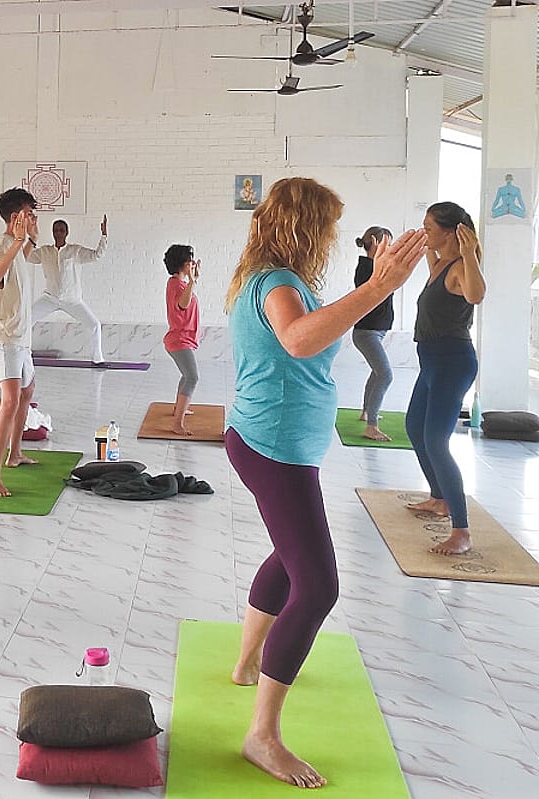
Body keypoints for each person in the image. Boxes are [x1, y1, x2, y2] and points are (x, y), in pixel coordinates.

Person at [224, 177, 426, 788]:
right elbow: (298, 338)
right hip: (275, 447)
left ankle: (245, 663)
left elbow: (305, 333)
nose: (335, 238)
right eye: (329, 227)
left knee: (290, 560)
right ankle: (262, 735)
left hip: (275, 442)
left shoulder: (272, 277)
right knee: (318, 586)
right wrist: (377, 286)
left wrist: (367, 288)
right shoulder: (280, 284)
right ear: (306, 226)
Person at [404, 202, 486, 555]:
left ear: (451, 232)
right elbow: (430, 254)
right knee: (413, 426)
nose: (425, 232)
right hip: (432, 361)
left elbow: (476, 295)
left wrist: (469, 253)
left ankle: (461, 530)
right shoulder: (440, 266)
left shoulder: (460, 269)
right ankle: (439, 497)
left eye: (430, 227)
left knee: (436, 440)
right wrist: (420, 247)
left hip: (453, 362)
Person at [0, 188, 40, 497]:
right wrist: (19, 240)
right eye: (29, 214)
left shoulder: (18, 247)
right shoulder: (4, 245)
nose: (33, 218)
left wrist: (29, 236)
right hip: (4, 337)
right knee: (9, 402)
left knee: (28, 390)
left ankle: (15, 453)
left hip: (21, 337)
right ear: (16, 217)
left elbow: (28, 254)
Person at [29, 216, 108, 364]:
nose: (58, 233)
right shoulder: (44, 251)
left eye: (61, 230)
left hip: (73, 300)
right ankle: (23, 354)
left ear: (67, 232)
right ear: (52, 232)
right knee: (26, 320)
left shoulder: (75, 251)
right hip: (50, 298)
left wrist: (104, 235)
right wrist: (28, 234)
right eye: (56, 230)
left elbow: (97, 255)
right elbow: (27, 256)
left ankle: (98, 359)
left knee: (95, 325)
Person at [352, 227, 395, 441]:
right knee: (385, 375)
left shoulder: (376, 266)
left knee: (377, 372)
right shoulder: (367, 268)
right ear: (375, 243)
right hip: (366, 333)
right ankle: (372, 426)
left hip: (374, 332)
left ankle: (366, 411)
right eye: (387, 243)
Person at [163, 244, 200, 436]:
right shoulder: (177, 284)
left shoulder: (177, 284)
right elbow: (183, 305)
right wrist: (193, 282)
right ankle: (177, 423)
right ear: (183, 264)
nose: (193, 263)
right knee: (192, 377)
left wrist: (192, 281)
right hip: (179, 341)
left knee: (186, 376)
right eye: (190, 260)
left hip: (181, 339)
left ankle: (179, 409)